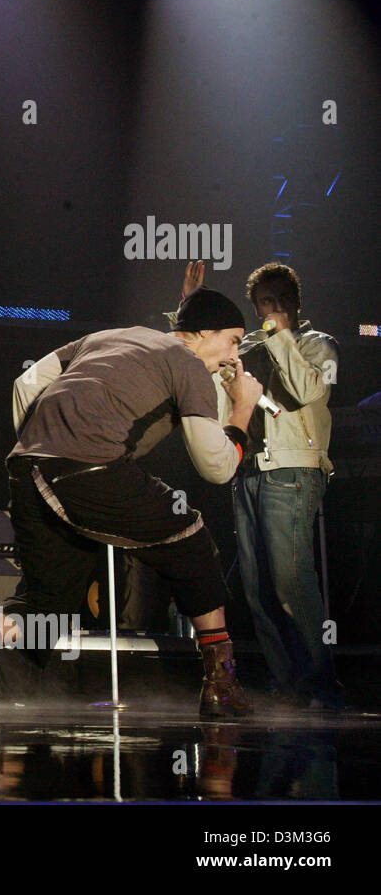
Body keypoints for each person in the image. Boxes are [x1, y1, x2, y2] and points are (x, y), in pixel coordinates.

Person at [0, 287, 265, 718]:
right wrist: (242, 411)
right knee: (191, 540)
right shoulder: (189, 364)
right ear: (204, 332)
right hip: (92, 469)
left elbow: (26, 383)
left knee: (51, 606)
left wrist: (44, 442)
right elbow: (216, 467)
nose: (234, 355)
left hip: (29, 469)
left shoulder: (109, 337)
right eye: (233, 340)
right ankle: (221, 683)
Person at [185, 261, 344, 709]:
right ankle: (287, 684)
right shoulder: (248, 345)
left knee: (291, 581)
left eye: (279, 301)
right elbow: (209, 374)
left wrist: (278, 336)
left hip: (293, 471)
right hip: (250, 470)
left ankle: (320, 686)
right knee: (256, 590)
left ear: (295, 301)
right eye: (263, 304)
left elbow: (307, 389)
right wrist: (194, 309)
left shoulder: (318, 345)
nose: (271, 311)